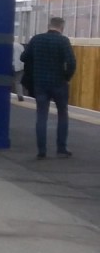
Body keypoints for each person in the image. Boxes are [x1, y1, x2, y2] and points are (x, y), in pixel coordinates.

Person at [22, 17, 75, 159]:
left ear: (48, 25)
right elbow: (71, 62)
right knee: (62, 114)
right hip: (59, 83)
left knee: (41, 116)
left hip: (40, 83)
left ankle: (42, 150)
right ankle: (61, 148)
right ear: (62, 27)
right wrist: (66, 77)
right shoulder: (63, 41)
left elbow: (23, 57)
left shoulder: (36, 39)